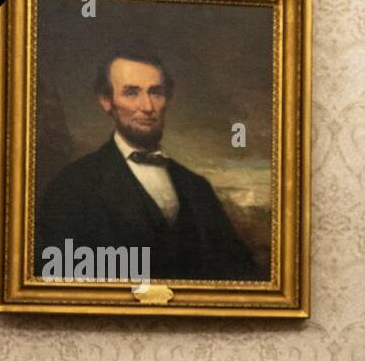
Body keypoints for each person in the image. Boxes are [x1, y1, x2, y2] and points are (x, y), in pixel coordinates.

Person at [35, 44, 262, 281]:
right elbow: (56, 282)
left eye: (156, 92)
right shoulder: (72, 186)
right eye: (131, 93)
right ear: (106, 100)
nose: (148, 107)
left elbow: (242, 276)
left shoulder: (197, 188)